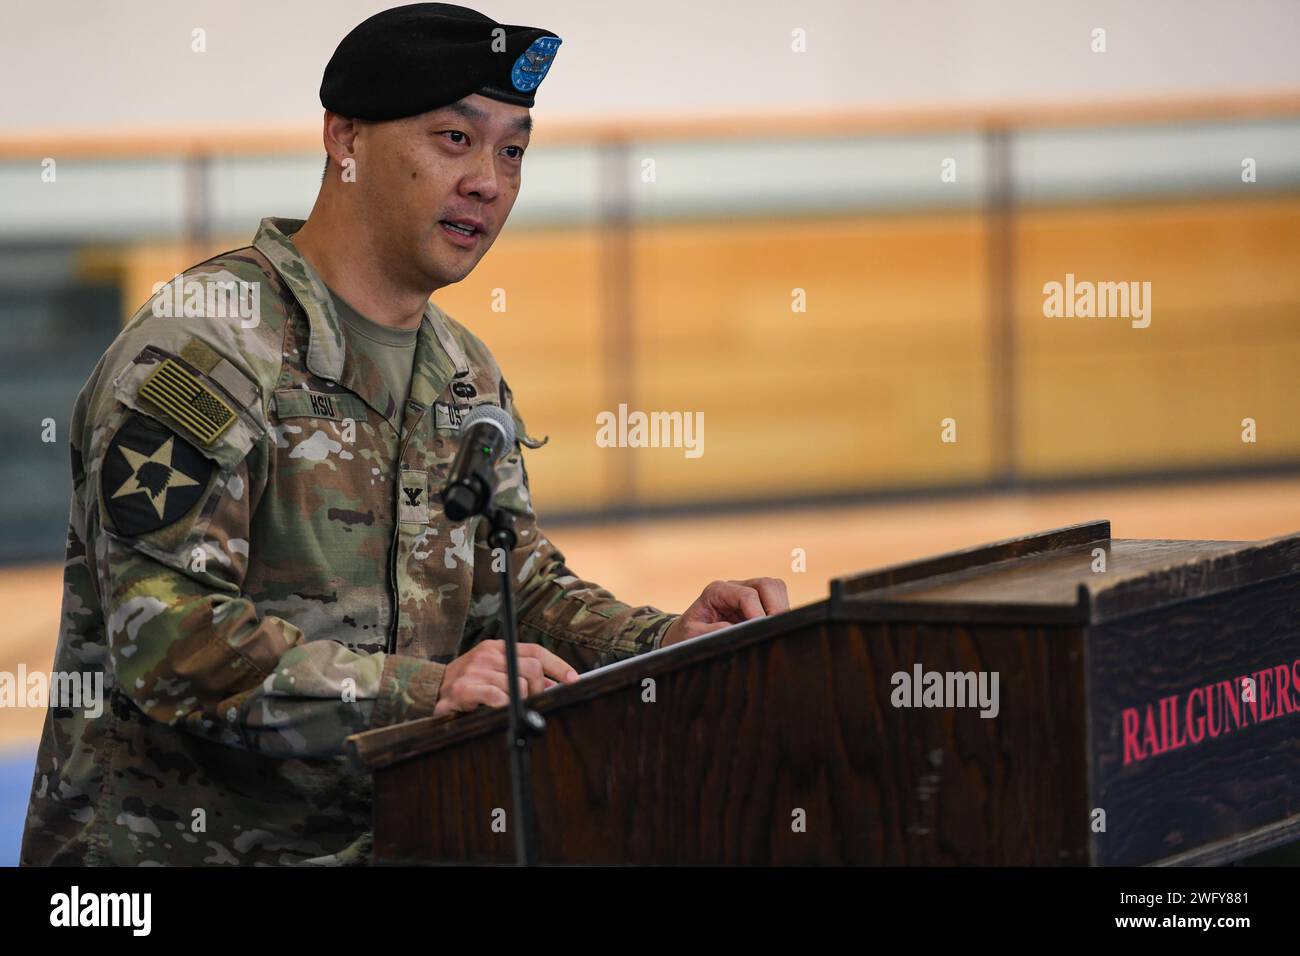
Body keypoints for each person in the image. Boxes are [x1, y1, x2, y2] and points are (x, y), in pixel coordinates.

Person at [21, 2, 788, 866]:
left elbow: (514, 588)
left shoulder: (465, 373)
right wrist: (421, 693)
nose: (490, 181)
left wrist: (659, 641)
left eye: (513, 150)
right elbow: (165, 639)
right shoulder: (206, 348)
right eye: (453, 139)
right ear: (345, 139)